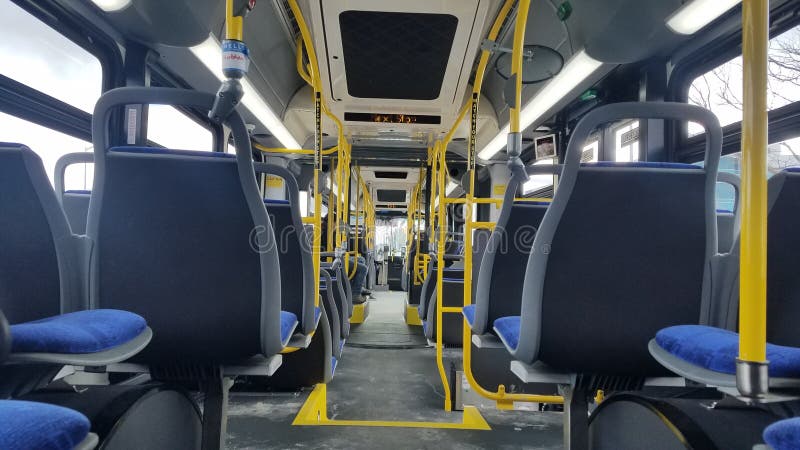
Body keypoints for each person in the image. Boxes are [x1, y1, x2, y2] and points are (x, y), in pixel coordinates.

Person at [320, 215, 369, 304]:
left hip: (333, 256)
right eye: (337, 223)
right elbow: (331, 250)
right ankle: (355, 294)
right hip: (331, 260)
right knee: (363, 269)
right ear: (333, 222)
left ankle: (356, 287)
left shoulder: (328, 232)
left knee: (361, 259)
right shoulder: (325, 233)